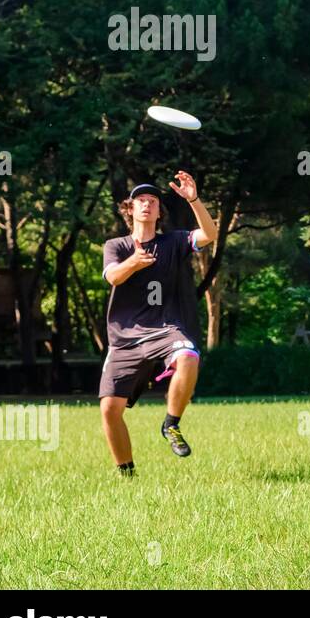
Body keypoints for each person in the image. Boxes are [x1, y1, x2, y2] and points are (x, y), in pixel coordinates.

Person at [99, 173, 217, 475]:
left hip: (164, 329)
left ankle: (171, 424)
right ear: (130, 209)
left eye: (153, 201)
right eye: (141, 201)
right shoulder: (117, 246)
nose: (147, 205)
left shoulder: (173, 242)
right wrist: (133, 263)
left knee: (189, 355)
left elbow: (209, 234)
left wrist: (193, 199)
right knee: (110, 410)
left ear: (159, 211)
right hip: (124, 337)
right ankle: (127, 474)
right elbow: (113, 276)